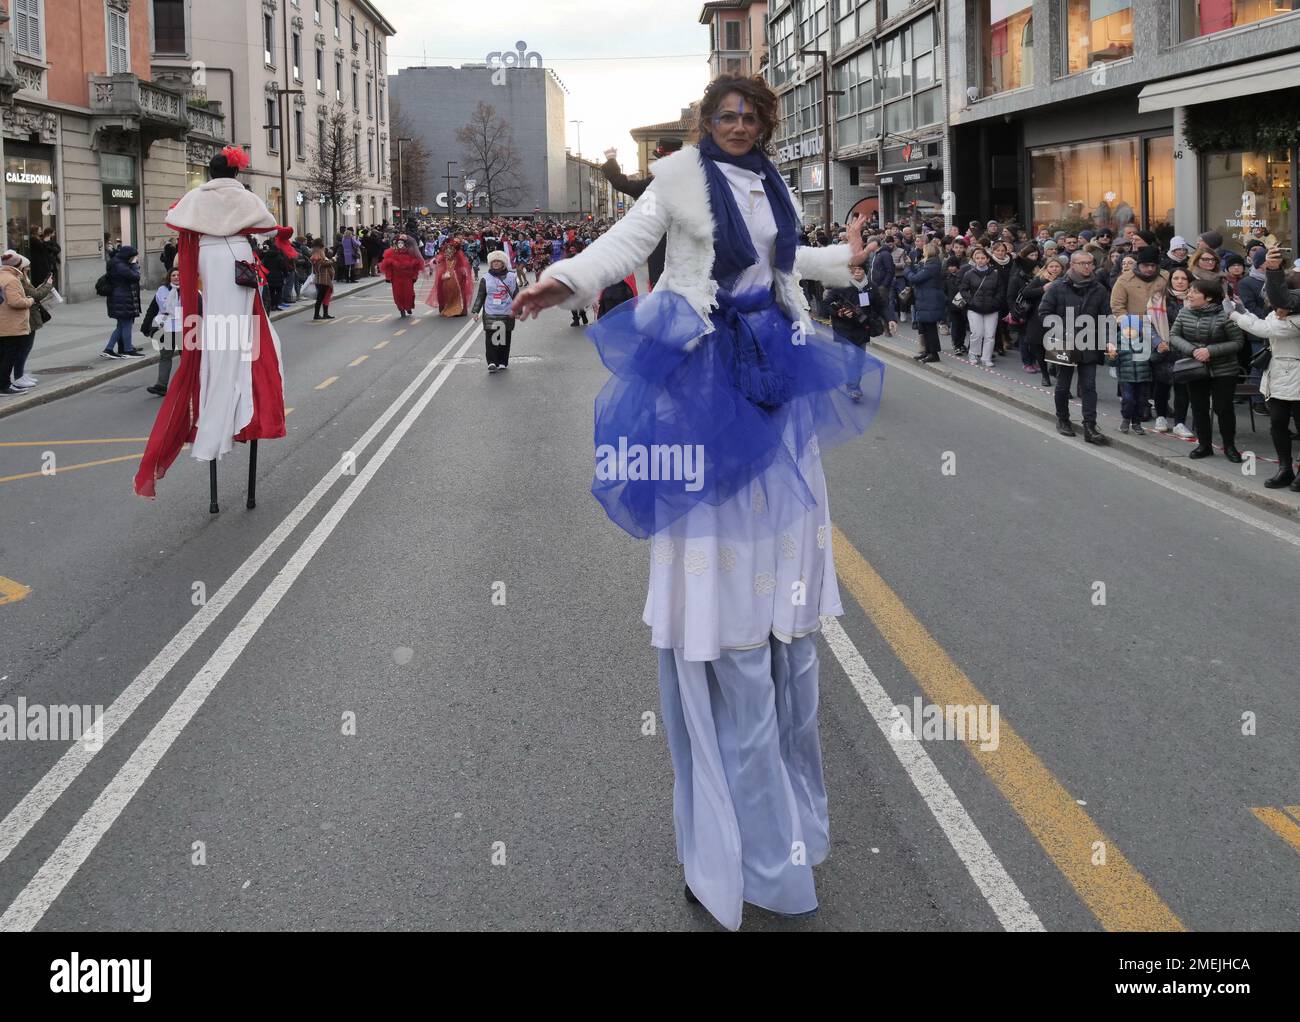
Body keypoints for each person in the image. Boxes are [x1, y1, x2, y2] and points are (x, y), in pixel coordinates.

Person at [510, 72, 881, 932]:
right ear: (703, 121)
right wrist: (559, 281)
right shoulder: (677, 177)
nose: (740, 124)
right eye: (726, 113)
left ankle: (775, 816)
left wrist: (841, 261)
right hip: (704, 372)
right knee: (721, 564)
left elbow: (781, 263)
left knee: (780, 552)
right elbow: (621, 246)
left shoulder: (773, 181)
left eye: (751, 114)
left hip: (774, 365)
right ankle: (728, 820)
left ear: (765, 123)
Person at [134, 145, 287, 498]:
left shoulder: (195, 196)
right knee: (249, 325)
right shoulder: (244, 196)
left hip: (207, 257)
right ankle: (239, 381)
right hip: (237, 256)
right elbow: (267, 225)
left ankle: (217, 386)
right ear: (235, 173)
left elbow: (178, 222)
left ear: (210, 172)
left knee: (217, 320)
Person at [1039, 249, 1111, 444]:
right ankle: (1062, 419)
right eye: (1083, 263)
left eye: (1090, 263)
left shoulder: (1099, 289)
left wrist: (1108, 340)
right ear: (1072, 265)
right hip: (1063, 341)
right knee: (1063, 384)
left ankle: (1090, 426)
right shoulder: (1057, 287)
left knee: (1089, 386)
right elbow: (1044, 313)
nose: (1087, 266)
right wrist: (1062, 330)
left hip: (1089, 342)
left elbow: (1107, 317)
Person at [1168, 277, 1243, 461]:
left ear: (1208, 297)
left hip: (1224, 369)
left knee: (1223, 408)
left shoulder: (1226, 314)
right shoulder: (1184, 312)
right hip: (1194, 367)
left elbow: (1238, 342)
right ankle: (1204, 445)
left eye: (1194, 292)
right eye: (1190, 291)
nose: (1190, 294)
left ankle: (1229, 447)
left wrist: (1210, 351)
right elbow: (1174, 336)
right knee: (1199, 407)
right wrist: (1193, 351)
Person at [1230, 299, 1300, 489]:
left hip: (1296, 376)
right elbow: (1263, 323)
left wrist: (1234, 315)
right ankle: (1285, 468)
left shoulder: (1295, 320)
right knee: (1277, 423)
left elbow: (1266, 330)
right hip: (1276, 376)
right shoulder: (1276, 315)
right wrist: (1244, 311)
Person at [1148, 266, 1193, 437]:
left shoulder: (1195, 298)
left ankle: (1180, 422)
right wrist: (1157, 342)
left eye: (1183, 279)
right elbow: (1150, 323)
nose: (1180, 282)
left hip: (1186, 349)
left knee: (1183, 388)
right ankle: (1161, 417)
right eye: (1176, 278)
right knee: (1162, 385)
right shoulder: (1158, 298)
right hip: (1164, 348)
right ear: (1170, 280)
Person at [471, 251, 519, 372]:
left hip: (507, 311)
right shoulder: (485, 278)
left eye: (498, 261)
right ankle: (492, 362)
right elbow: (480, 296)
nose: (496, 263)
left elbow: (516, 295)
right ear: (490, 264)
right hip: (490, 310)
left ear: (503, 263)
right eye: (494, 262)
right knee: (491, 337)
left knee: (505, 337)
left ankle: (502, 361)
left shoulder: (511, 277)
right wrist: (475, 311)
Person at [1021, 255, 1065, 386]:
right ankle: (1045, 376)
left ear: (1062, 269)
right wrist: (1043, 288)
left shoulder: (1065, 281)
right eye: (1051, 266)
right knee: (1039, 349)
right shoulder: (1039, 279)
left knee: (1058, 351)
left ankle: (1060, 380)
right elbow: (1025, 293)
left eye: (1057, 266)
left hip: (1058, 319)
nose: (1054, 269)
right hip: (1038, 318)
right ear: (1046, 268)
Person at [144, 267, 184, 397]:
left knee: (187, 359)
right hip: (166, 329)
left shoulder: (188, 289)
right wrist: (146, 325)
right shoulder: (162, 291)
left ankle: (189, 384)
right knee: (165, 357)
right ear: (169, 277)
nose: (176, 277)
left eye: (178, 275)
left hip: (184, 329)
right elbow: (152, 309)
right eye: (173, 275)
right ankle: (161, 385)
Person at [958, 246, 1001, 367]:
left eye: (983, 258)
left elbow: (1000, 290)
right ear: (974, 259)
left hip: (991, 308)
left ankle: (986, 357)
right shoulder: (969, 274)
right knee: (976, 333)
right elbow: (963, 289)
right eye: (978, 258)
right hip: (974, 308)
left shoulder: (995, 274)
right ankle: (973, 353)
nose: (980, 260)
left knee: (990, 335)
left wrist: (995, 302)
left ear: (988, 259)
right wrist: (971, 301)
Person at [101, 244, 144, 359]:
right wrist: (134, 265)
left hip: (119, 298)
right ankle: (128, 350)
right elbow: (135, 277)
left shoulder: (116, 262)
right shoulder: (120, 265)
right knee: (126, 325)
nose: (134, 258)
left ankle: (109, 349)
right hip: (122, 298)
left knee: (121, 326)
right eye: (133, 256)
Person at [0, 254, 35, 395]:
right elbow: (15, 302)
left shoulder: (2, 276)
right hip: (11, 324)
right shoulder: (12, 279)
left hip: (3, 322)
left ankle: (3, 384)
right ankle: (4, 385)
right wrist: (29, 301)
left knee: (2, 355)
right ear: (16, 266)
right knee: (10, 356)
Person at [905, 239, 944, 364]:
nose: (923, 253)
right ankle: (927, 351)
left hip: (929, 299)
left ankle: (934, 353)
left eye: (925, 251)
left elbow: (915, 278)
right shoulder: (928, 264)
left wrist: (907, 269)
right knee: (924, 327)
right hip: (924, 298)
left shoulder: (932, 266)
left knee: (930, 328)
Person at [378, 234, 424, 318]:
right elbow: (388, 267)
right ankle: (401, 309)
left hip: (408, 277)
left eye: (401, 243)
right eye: (398, 243)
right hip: (396, 278)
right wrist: (388, 277)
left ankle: (408, 307)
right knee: (398, 295)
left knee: (410, 294)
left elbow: (415, 267)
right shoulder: (391, 253)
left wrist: (414, 277)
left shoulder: (411, 254)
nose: (400, 245)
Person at [427, 237, 472, 316]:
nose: (448, 251)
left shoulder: (458, 257)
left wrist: (460, 273)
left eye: (451, 249)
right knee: (446, 292)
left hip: (456, 278)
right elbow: (437, 261)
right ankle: (448, 306)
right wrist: (434, 262)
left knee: (457, 292)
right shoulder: (443, 257)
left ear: (454, 250)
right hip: (446, 277)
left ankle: (458, 308)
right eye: (447, 250)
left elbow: (462, 267)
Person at [310, 239, 336, 319]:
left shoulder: (317, 253)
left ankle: (325, 314)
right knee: (320, 298)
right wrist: (332, 260)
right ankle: (316, 315)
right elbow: (323, 264)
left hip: (325, 279)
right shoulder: (317, 255)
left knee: (325, 297)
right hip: (322, 279)